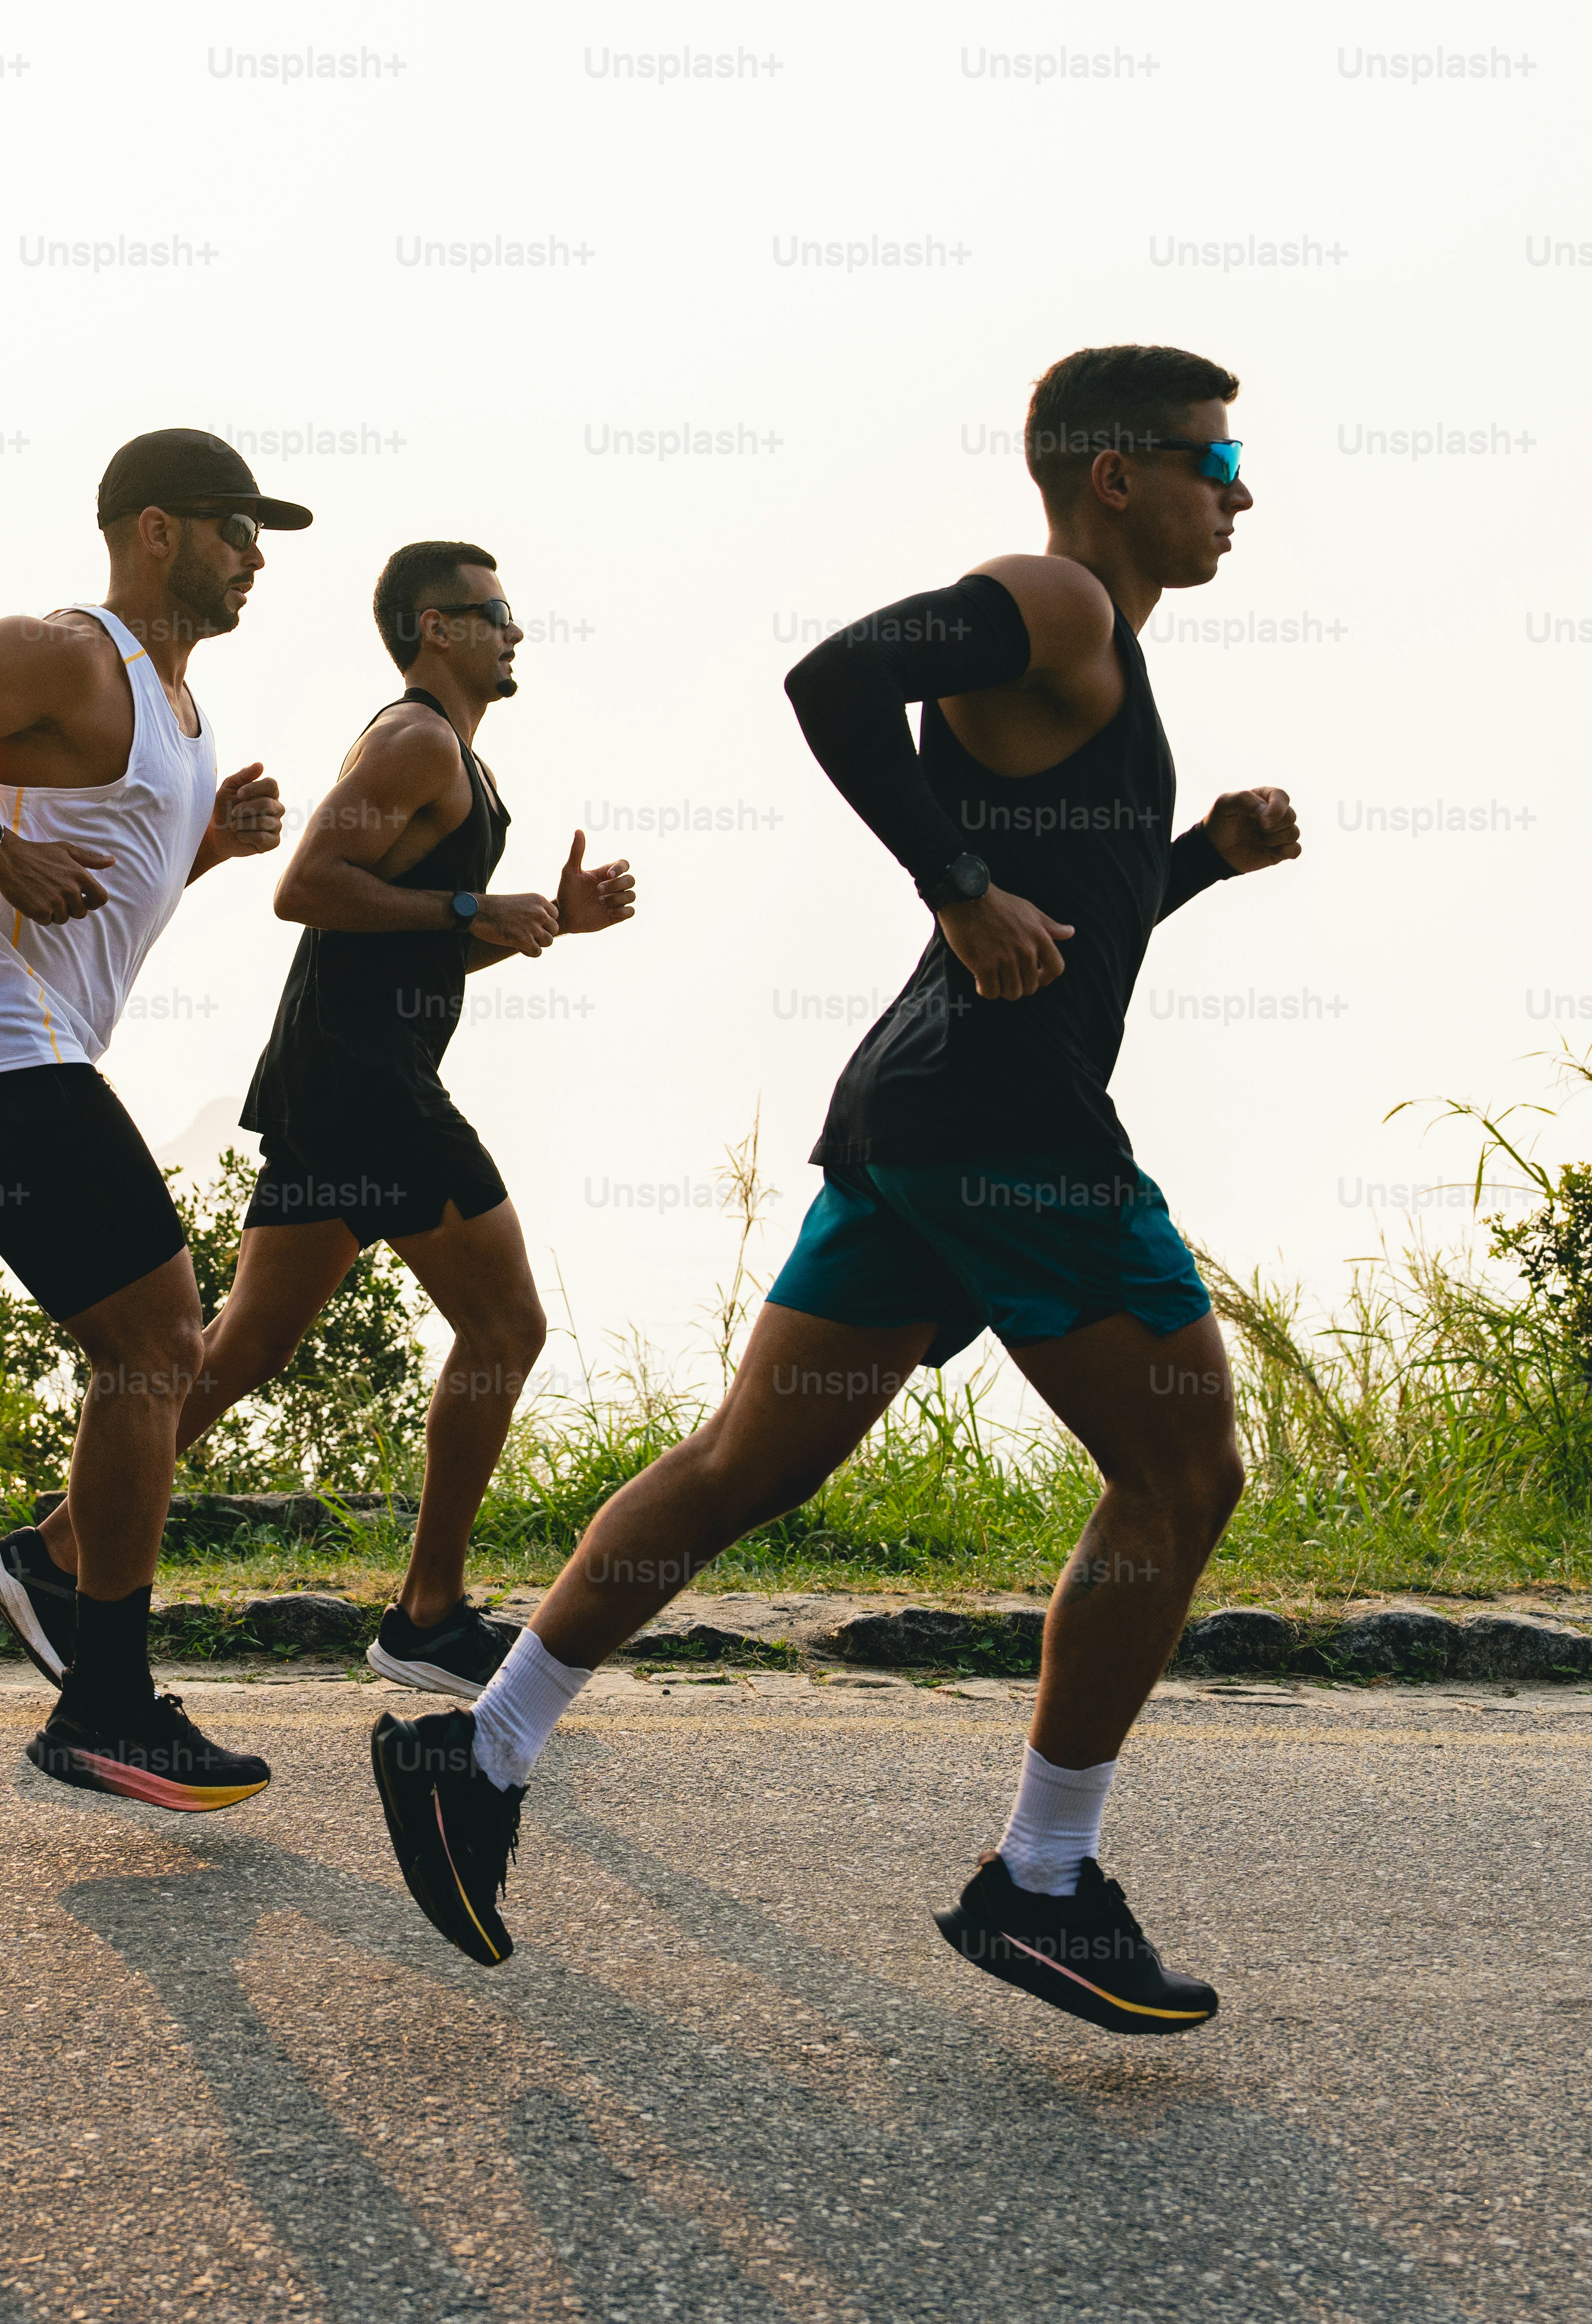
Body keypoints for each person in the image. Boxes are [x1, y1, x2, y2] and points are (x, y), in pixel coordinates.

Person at [373, 345, 1302, 2038]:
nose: (1236, 489)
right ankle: (1039, 1881)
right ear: (1111, 473)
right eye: (1211, 455)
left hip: (920, 1118)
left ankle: (475, 1752)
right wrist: (950, 885)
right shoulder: (1052, 603)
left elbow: (1056, 933)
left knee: (741, 1465)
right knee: (1180, 1470)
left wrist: (1193, 867)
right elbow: (826, 680)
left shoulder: (1088, 657)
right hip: (1007, 1135)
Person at [0, 542, 634, 1700]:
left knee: (238, 1349)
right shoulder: (416, 738)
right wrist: (481, 900)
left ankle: (53, 1549)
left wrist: (545, 923)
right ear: (435, 626)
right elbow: (307, 887)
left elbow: (400, 934)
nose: (513, 629)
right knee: (507, 1327)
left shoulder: (454, 760)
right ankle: (427, 1613)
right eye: (494, 612)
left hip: (342, 1083)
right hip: (369, 1089)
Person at [0, 428, 294, 1813]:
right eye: (234, 527)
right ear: (155, 532)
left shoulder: (178, 715)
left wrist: (206, 851)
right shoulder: (66, 652)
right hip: (4, 1060)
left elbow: (105, 898)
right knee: (158, 1342)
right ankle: (104, 1697)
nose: (255, 555)